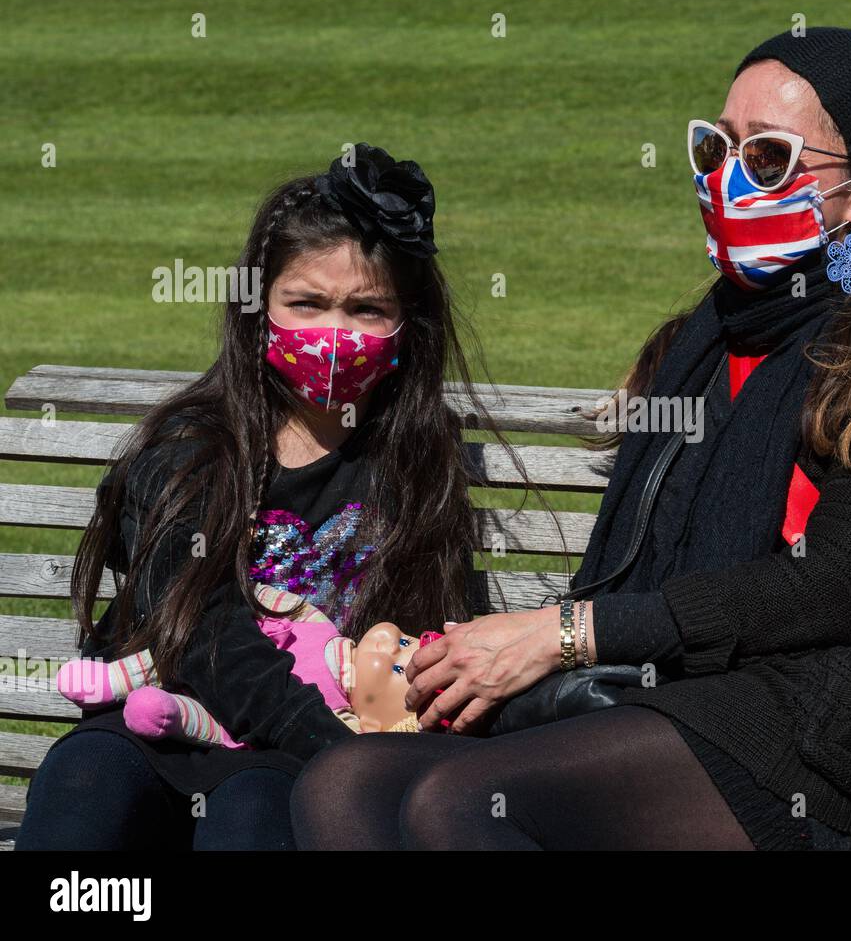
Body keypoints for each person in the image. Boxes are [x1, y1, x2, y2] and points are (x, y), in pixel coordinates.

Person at [290, 27, 851, 851]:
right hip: (670, 690)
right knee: (342, 787)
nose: (727, 178)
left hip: (829, 729)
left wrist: (564, 632)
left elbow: (832, 589)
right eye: (714, 147)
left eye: (769, 159)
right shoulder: (699, 342)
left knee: (456, 802)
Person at [16, 143, 514, 850]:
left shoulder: (413, 458)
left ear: (408, 324)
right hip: (165, 716)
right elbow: (202, 635)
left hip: (293, 756)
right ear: (257, 308)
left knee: (253, 812)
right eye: (306, 303)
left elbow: (412, 638)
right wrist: (328, 741)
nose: (334, 334)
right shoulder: (191, 448)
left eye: (366, 308)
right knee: (87, 780)